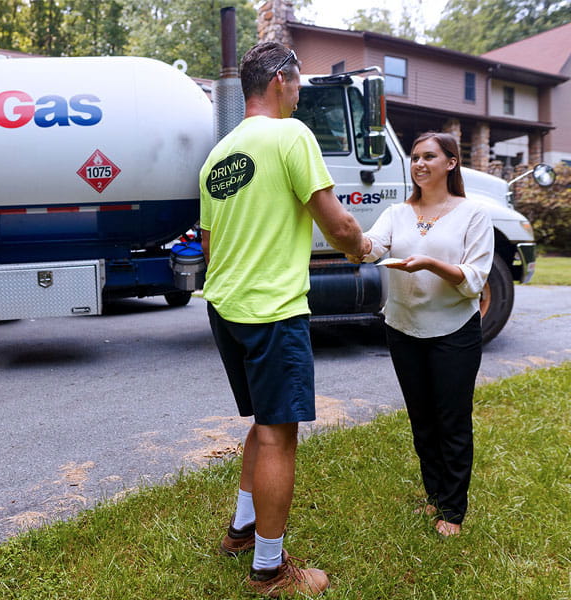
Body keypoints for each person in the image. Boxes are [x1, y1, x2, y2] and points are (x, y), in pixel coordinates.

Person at [199, 41, 369, 597]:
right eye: (297, 83)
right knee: (279, 434)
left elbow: (208, 244)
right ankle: (270, 571)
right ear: (278, 81)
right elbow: (337, 223)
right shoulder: (291, 136)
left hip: (226, 308)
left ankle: (241, 532)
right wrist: (361, 249)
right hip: (273, 311)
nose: (299, 94)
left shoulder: (218, 155)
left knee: (262, 423)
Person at [347, 131, 494, 537]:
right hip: (403, 328)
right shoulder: (397, 212)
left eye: (429, 156)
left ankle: (453, 510)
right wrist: (352, 241)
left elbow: (474, 279)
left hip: (454, 331)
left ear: (451, 162)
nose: (419, 164)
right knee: (422, 419)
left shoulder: (474, 214)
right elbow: (373, 246)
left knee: (452, 419)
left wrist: (429, 263)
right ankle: (434, 495)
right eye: (414, 157)